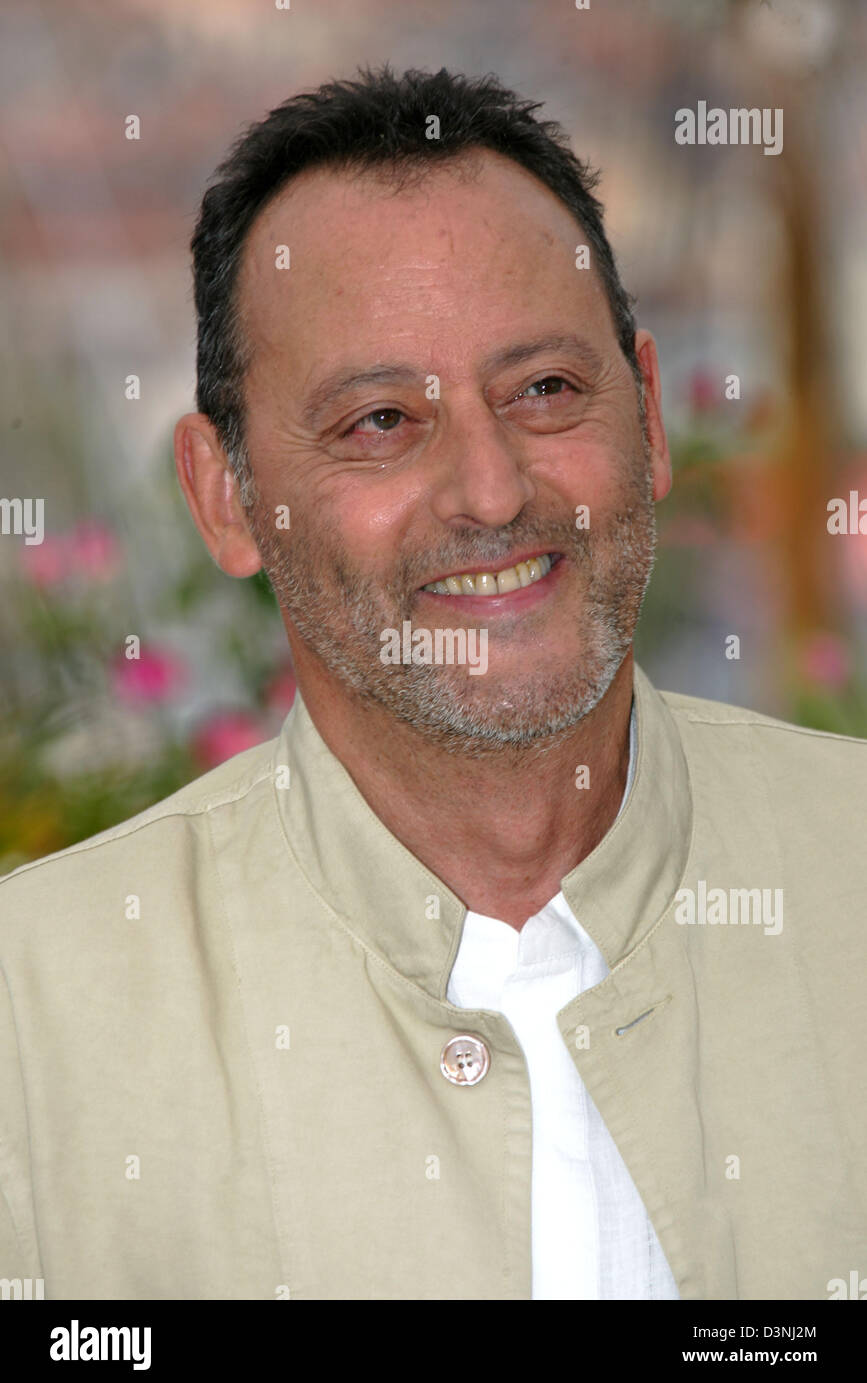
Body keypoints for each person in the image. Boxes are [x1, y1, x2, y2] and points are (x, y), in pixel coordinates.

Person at [1, 65, 864, 1302]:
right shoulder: (30, 1025)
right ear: (226, 496)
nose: (495, 489)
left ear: (655, 419)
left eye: (547, 391)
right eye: (381, 421)